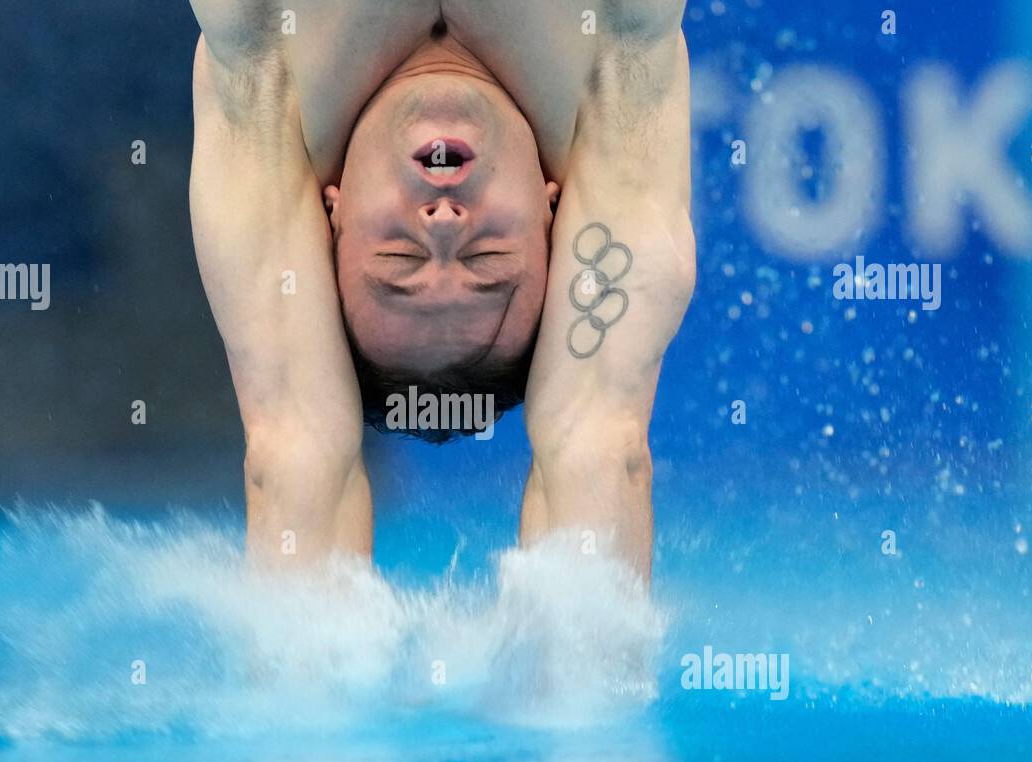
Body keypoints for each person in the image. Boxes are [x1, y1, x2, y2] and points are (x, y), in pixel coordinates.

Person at [189, 0, 695, 575]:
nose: (444, 223)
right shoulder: (613, 45)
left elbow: (298, 448)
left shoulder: (263, 46)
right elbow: (598, 443)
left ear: (332, 218)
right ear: (554, 215)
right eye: (487, 258)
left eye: (400, 258)